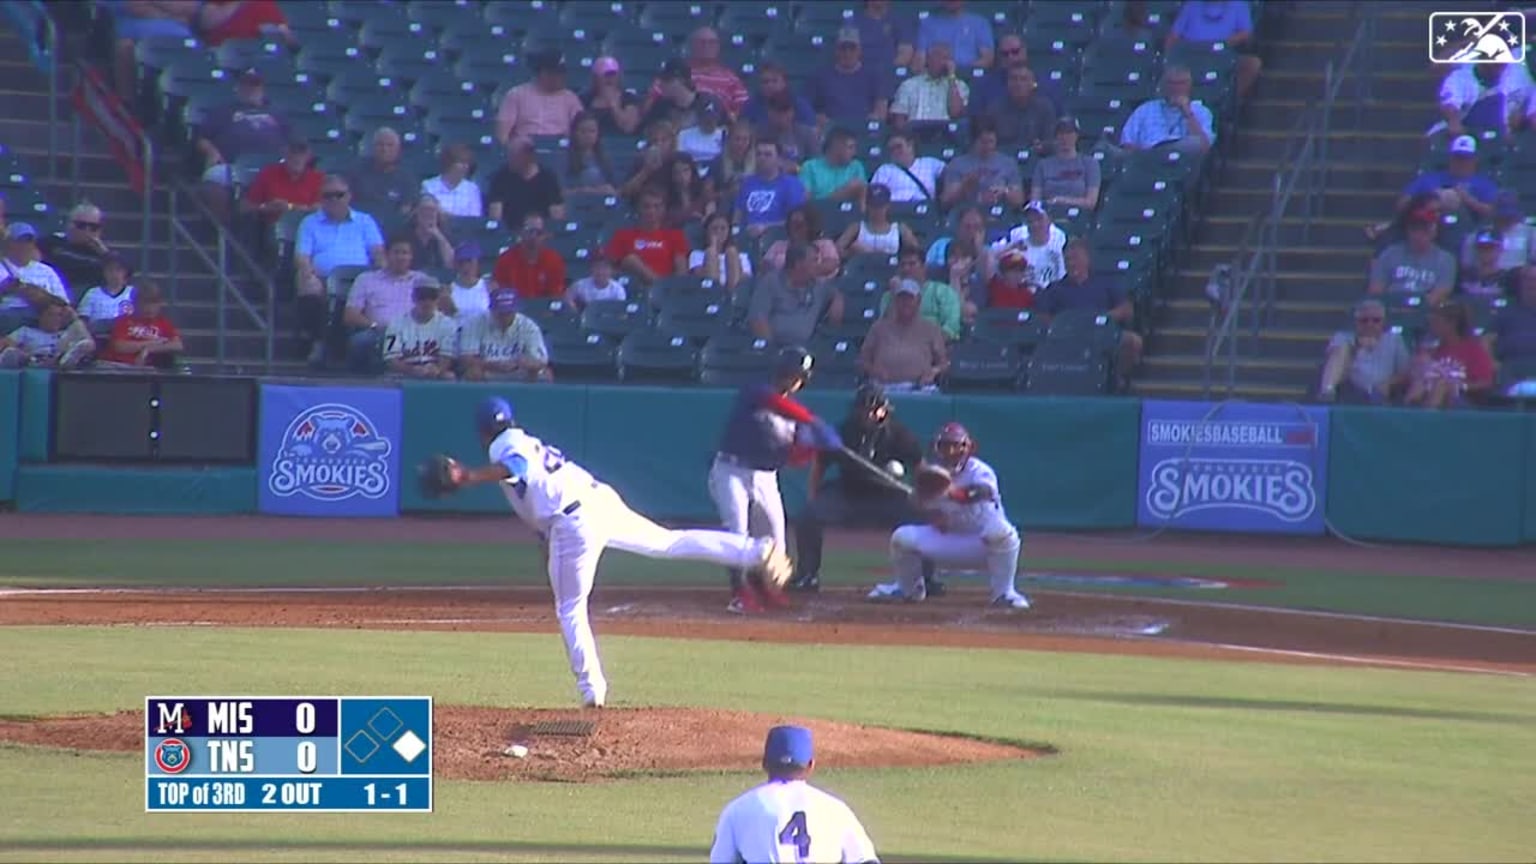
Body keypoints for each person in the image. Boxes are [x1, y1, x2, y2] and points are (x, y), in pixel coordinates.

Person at [439, 396, 796, 706]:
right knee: (669, 543)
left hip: (573, 523)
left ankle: (592, 690)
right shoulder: (526, 438)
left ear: (482, 431)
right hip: (599, 501)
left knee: (570, 610)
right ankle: (755, 550)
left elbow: (516, 469)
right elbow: (534, 492)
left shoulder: (503, 446)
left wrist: (467, 477)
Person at [709, 347, 843, 614]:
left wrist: (814, 447)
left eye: (801, 376)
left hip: (765, 476)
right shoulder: (756, 391)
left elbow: (792, 459)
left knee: (774, 541)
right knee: (737, 534)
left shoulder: (795, 417)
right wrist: (812, 421)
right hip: (731, 471)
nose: (797, 380)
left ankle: (760, 588)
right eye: (794, 374)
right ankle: (739, 592)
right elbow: (775, 403)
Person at [789, 384, 942, 596]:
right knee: (808, 517)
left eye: (872, 409)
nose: (867, 415)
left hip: (889, 495)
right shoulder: (843, 431)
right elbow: (820, 466)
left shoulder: (899, 434)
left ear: (884, 410)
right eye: (862, 409)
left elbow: (919, 468)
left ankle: (927, 577)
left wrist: (923, 497)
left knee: (923, 517)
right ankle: (807, 575)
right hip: (849, 491)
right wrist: (812, 497)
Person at [869, 422, 1031, 609]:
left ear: (967, 447)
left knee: (1003, 532)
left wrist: (950, 493)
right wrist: (928, 511)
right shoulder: (932, 474)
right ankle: (908, 589)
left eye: (955, 445)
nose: (951, 450)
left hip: (983, 543)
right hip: (949, 541)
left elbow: (982, 491)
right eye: (946, 445)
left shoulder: (979, 470)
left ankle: (1005, 593)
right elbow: (918, 505)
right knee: (902, 537)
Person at [708, 725, 879, 864]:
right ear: (810, 765)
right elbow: (865, 860)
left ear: (765, 763)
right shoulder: (836, 809)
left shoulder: (738, 809)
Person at [294, 176, 386, 366]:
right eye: (328, 196)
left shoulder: (365, 221)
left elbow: (377, 252)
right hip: (324, 278)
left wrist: (382, 274)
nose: (334, 200)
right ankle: (318, 343)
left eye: (339, 195)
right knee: (307, 284)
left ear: (349, 197)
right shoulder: (309, 223)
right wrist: (308, 273)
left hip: (359, 279)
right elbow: (302, 256)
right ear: (321, 198)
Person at [1036, 239, 1143, 385]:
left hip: (1101, 332)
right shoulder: (1054, 289)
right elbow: (1043, 316)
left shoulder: (1105, 283)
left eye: (1076, 258)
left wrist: (1104, 318)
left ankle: (1115, 379)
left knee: (1133, 341)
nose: (1072, 263)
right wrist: (1060, 327)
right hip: (1068, 337)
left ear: (1087, 259)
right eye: (1068, 259)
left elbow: (1126, 309)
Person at [194, 67, 289, 219]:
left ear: (262, 88)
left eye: (255, 85)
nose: (250, 89)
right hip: (232, 166)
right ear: (238, 87)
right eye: (246, 85)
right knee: (214, 178)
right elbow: (202, 138)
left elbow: (294, 141)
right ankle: (222, 230)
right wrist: (212, 152)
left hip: (272, 168)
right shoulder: (224, 111)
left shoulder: (277, 113)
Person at [341, 234, 431, 373]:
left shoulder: (422, 280)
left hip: (415, 332)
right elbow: (350, 315)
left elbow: (434, 310)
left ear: (411, 257)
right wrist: (374, 326)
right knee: (359, 341)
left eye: (405, 253)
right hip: (378, 331)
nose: (401, 257)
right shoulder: (366, 279)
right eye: (396, 252)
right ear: (387, 255)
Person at [1404, 299, 1496, 409]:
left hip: (1463, 400)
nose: (1433, 327)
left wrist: (1458, 386)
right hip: (1428, 396)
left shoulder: (1473, 350)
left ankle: (1426, 421)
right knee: (1421, 384)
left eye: (1437, 322)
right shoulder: (1433, 351)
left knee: (1441, 385)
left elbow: (1485, 383)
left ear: (1451, 324)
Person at [1316, 298, 1411, 403]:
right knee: (1341, 349)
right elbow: (1335, 369)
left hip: (1383, 393)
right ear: (1356, 322)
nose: (1370, 325)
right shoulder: (1343, 337)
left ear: (1383, 322)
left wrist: (1388, 384)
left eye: (1376, 320)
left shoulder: (1394, 340)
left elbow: (1405, 372)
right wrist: (1356, 348)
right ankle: (1327, 391)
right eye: (1364, 321)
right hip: (1349, 391)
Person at [860, 278, 949, 390]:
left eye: (909, 298)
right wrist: (872, 370)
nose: (905, 303)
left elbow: (944, 363)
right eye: (901, 299)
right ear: (895, 301)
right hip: (882, 387)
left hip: (918, 389)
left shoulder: (931, 329)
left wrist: (933, 372)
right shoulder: (879, 328)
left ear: (919, 301)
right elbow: (863, 359)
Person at [749, 244, 845, 345]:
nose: (819, 265)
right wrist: (771, 350)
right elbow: (757, 321)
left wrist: (837, 300)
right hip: (775, 348)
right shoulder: (771, 282)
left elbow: (836, 294)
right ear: (798, 264)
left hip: (806, 349)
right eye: (814, 260)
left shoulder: (820, 287)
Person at [1166, 0, 1262, 100]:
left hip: (1222, 56)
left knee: (1252, 64)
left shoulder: (1239, 4)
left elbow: (1246, 33)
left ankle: (1229, 102)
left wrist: (1221, 44)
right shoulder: (1192, 4)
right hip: (1192, 56)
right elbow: (1173, 36)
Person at [1118, 64, 1214, 154]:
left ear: (1189, 85)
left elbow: (1204, 147)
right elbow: (1127, 144)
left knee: (1193, 142)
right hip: (1149, 164)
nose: (1176, 88)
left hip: (1185, 165)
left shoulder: (1201, 111)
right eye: (1171, 83)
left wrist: (1187, 113)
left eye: (1181, 83)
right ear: (1162, 85)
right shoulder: (1145, 110)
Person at [494, 50, 584, 144]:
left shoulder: (571, 99)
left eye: (562, 73)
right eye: (556, 73)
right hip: (525, 151)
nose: (561, 77)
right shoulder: (516, 95)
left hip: (559, 150)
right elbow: (502, 135)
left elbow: (581, 130)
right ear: (542, 73)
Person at [461, 290, 551, 382]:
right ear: (491, 310)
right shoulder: (475, 323)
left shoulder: (528, 326)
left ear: (515, 310)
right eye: (501, 313)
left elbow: (541, 361)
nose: (505, 317)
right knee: (473, 372)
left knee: (544, 374)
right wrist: (493, 365)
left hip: (518, 371)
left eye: (509, 313)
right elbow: (466, 359)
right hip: (487, 370)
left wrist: (525, 363)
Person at [605, 188, 690, 285]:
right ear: (638, 209)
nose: (651, 211)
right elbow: (609, 269)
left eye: (657, 206)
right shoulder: (622, 236)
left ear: (664, 209)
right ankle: (659, 287)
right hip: (632, 288)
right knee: (631, 260)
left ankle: (660, 288)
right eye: (646, 206)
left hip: (669, 289)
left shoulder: (675, 236)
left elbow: (681, 272)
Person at [1367, 214, 1456, 304]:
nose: (1418, 235)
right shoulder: (1389, 254)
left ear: (1433, 232)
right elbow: (1376, 290)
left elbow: (1441, 293)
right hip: (1392, 308)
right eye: (1414, 229)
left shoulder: (1445, 259)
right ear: (1407, 231)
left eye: (1424, 230)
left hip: (1426, 311)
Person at [808, 27, 889, 126]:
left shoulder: (874, 75)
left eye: (852, 48)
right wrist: (818, 117)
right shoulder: (821, 76)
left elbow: (881, 108)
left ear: (859, 50)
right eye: (843, 48)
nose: (847, 53)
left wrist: (875, 118)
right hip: (831, 129)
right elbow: (806, 107)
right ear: (836, 50)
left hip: (862, 129)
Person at [1, 222, 72, 333]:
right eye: (20, 241)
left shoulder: (46, 270)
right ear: (9, 243)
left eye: (29, 241)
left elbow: (63, 302)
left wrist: (41, 296)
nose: (25, 245)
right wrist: (5, 289)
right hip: (8, 316)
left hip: (43, 318)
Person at [940, 117, 1025, 208]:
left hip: (999, 213)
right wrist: (965, 185)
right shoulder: (957, 164)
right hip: (967, 213)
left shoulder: (1008, 163)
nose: (988, 146)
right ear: (973, 141)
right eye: (983, 142)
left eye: (991, 141)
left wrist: (1005, 191)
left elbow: (1019, 201)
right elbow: (946, 202)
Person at [880, 245, 962, 340]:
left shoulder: (943, 292)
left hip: (933, 347)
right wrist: (895, 297)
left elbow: (951, 328)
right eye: (903, 265)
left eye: (912, 264)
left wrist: (923, 342)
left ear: (924, 267)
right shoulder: (889, 296)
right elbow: (883, 330)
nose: (906, 269)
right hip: (896, 347)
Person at [96, 281, 182, 369]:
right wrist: (152, 343)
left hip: (145, 369)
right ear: (136, 304)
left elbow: (177, 345)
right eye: (144, 303)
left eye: (153, 304)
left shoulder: (163, 323)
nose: (149, 308)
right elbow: (120, 346)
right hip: (116, 364)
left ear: (159, 304)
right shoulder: (124, 320)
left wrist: (149, 349)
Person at [382, 280, 457, 380]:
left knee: (449, 377)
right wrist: (412, 370)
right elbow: (391, 360)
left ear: (438, 299)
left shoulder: (448, 324)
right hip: (404, 375)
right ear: (413, 298)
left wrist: (438, 369)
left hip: (435, 374)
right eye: (422, 297)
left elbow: (446, 357)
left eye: (432, 297)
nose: (427, 302)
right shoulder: (396, 323)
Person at [241, 138, 323, 227]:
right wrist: (266, 207)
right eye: (293, 153)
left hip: (307, 229)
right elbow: (244, 207)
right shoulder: (268, 174)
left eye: (301, 153)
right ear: (284, 154)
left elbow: (319, 211)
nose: (297, 158)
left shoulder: (318, 178)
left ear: (308, 157)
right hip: (270, 228)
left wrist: (290, 207)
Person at [485, 137, 566, 226]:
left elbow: (557, 215)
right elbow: (495, 215)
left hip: (541, 233)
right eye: (509, 155)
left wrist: (544, 224)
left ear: (529, 156)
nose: (510, 160)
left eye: (514, 156)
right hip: (510, 232)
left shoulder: (548, 178)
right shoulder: (501, 178)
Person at [39, 202, 114, 295]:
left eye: (93, 227)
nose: (87, 230)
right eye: (81, 225)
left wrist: (105, 254)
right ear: (69, 224)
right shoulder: (51, 243)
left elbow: (119, 278)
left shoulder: (103, 254)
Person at [0, 297, 95, 370]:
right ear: (40, 316)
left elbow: (90, 346)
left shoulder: (67, 333)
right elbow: (4, 343)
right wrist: (23, 351)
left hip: (58, 357)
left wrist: (74, 317)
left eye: (59, 315)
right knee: (12, 352)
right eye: (51, 315)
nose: (56, 319)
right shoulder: (26, 331)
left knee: (86, 342)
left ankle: (65, 361)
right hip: (33, 360)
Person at [890, 42, 968, 129]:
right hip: (915, 134)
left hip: (945, 136)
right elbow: (899, 119)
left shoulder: (959, 86)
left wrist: (951, 77)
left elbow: (955, 113)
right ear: (928, 59)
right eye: (939, 57)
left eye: (947, 58)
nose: (944, 62)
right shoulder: (909, 85)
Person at [735, 140, 808, 234]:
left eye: (768, 154)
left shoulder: (792, 184)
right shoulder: (747, 183)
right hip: (746, 237)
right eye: (758, 154)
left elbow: (796, 221)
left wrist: (766, 228)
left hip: (778, 237)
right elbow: (737, 216)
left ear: (779, 159)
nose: (762, 158)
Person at [347, 127, 420, 219]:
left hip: (393, 226)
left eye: (390, 145)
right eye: (380, 145)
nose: (385, 149)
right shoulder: (356, 171)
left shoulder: (406, 176)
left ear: (398, 149)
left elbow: (406, 208)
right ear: (373, 147)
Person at [1032, 117, 1101, 210]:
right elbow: (1035, 201)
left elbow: (1091, 202)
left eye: (1069, 133)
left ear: (1076, 136)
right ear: (1056, 137)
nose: (1065, 138)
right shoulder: (1043, 165)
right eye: (1061, 134)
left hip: (1079, 215)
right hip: (1048, 214)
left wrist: (1062, 201)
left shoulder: (1090, 164)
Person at [836, 183, 918, 260]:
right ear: (867, 205)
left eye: (880, 206)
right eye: (873, 206)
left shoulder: (900, 228)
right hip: (863, 269)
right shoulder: (856, 227)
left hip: (891, 270)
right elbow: (837, 250)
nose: (877, 210)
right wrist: (851, 253)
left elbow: (916, 252)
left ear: (888, 205)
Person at [493, 214, 567, 299]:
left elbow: (555, 295)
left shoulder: (554, 260)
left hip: (544, 310)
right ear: (520, 232)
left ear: (545, 235)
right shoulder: (506, 259)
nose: (533, 237)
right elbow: (502, 293)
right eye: (529, 231)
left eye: (538, 233)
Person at [763, 205, 841, 278]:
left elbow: (831, 266)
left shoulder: (825, 244)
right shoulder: (778, 245)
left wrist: (803, 274)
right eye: (791, 224)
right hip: (780, 287)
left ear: (811, 225)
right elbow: (764, 267)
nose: (794, 228)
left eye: (799, 225)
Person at [868, 132, 945, 203]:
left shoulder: (930, 163)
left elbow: (952, 172)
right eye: (892, 149)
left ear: (910, 145)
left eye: (899, 147)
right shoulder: (884, 170)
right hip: (896, 211)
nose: (896, 151)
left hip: (924, 211)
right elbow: (875, 195)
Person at [916, 0, 995, 69]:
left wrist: (961, 70)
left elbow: (987, 59)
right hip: (937, 76)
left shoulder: (979, 23)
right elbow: (920, 59)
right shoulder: (928, 24)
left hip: (969, 75)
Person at [689, 212, 753, 296]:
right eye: (714, 228)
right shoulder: (697, 254)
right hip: (707, 293)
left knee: (732, 252)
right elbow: (699, 277)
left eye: (723, 228)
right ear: (707, 231)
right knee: (711, 253)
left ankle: (731, 298)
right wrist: (713, 246)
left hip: (735, 292)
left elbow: (746, 278)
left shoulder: (741, 256)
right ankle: (716, 297)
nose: (718, 232)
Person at [75, 252, 137, 336]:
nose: (114, 274)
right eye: (110, 270)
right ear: (104, 272)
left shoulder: (134, 293)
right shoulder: (92, 293)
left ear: (126, 272)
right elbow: (82, 322)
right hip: (97, 338)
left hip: (125, 338)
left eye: (118, 269)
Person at [799, 128, 869, 203]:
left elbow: (863, 197)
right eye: (850, 147)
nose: (854, 152)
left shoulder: (856, 166)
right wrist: (841, 194)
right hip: (818, 212)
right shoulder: (810, 167)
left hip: (848, 213)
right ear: (836, 146)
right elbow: (805, 201)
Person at [438, 241, 492, 336]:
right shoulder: (447, 290)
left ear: (477, 263)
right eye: (461, 263)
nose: (466, 267)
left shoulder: (489, 287)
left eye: (469, 261)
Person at [581, 56, 641, 137]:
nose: (609, 79)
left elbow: (628, 128)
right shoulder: (585, 99)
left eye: (613, 75)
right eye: (605, 75)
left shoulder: (629, 99)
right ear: (596, 77)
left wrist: (613, 105)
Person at [420, 142, 483, 219]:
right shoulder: (429, 186)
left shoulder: (472, 189)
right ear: (449, 163)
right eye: (461, 162)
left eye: (467, 163)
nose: (465, 166)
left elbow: (474, 218)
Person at [562, 111, 618, 197]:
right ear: (574, 133)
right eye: (583, 131)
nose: (588, 135)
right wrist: (582, 191)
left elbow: (614, 189)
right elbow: (561, 192)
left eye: (592, 131)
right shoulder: (565, 158)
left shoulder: (605, 159)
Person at [404, 194, 456, 273]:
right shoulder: (404, 236)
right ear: (415, 212)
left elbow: (451, 264)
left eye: (432, 210)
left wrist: (438, 236)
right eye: (424, 209)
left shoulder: (445, 236)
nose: (428, 213)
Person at [1458, 228, 1515, 299]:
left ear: (1500, 249)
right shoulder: (1465, 276)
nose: (1485, 252)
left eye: (1490, 247)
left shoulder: (1508, 278)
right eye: (1482, 247)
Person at [678, 94, 728, 163]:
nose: (709, 122)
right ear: (699, 117)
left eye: (712, 119)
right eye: (706, 119)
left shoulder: (725, 136)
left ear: (718, 118)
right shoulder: (684, 135)